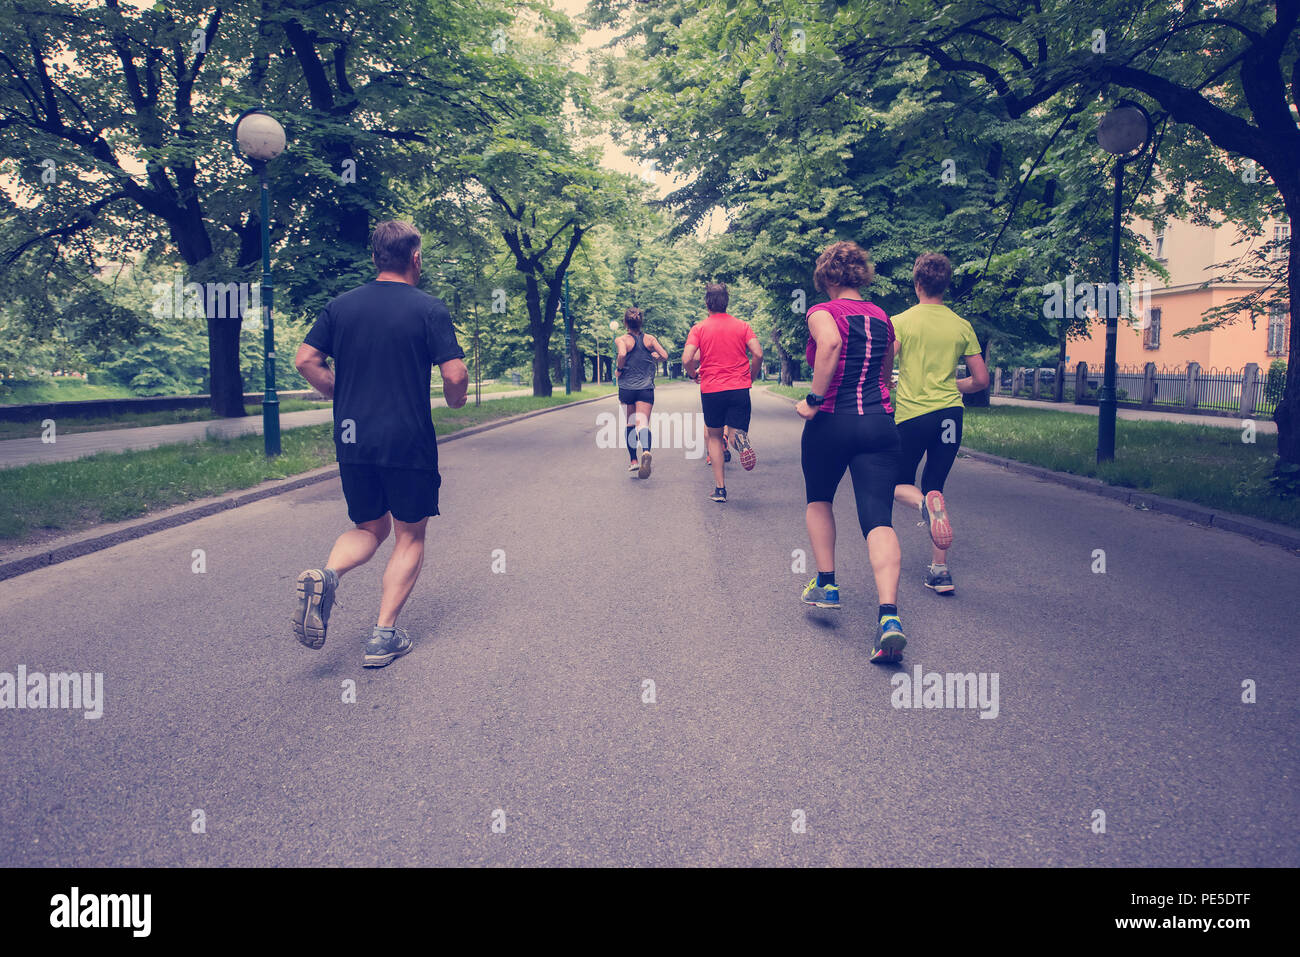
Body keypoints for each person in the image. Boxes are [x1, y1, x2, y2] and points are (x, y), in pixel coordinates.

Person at [291, 220, 468, 668]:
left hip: (353, 437)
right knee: (409, 534)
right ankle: (383, 636)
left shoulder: (341, 307)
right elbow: (455, 373)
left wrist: (340, 393)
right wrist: (456, 400)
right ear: (415, 258)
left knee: (370, 527)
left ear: (375, 258)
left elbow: (306, 359)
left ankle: (329, 574)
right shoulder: (428, 308)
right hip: (406, 438)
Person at [793, 241, 906, 664]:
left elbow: (830, 345)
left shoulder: (822, 312)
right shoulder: (883, 318)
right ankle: (889, 617)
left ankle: (826, 583)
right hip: (878, 423)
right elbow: (885, 373)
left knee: (819, 499)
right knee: (878, 519)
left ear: (827, 277)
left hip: (831, 422)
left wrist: (813, 399)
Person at [891, 252, 989, 596]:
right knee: (935, 487)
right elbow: (981, 380)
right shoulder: (961, 325)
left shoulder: (900, 322)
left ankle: (924, 507)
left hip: (913, 415)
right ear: (946, 285)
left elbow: (884, 366)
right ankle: (940, 571)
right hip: (950, 416)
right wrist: (952, 385)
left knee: (896, 483)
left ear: (917, 283)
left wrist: (888, 384)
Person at [682, 282, 762, 502]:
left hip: (712, 389)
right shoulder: (742, 326)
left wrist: (693, 374)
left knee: (715, 437)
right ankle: (740, 442)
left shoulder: (699, 328)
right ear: (726, 302)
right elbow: (758, 353)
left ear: (707, 303)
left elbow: (687, 358)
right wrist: (751, 376)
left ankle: (720, 489)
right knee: (735, 433)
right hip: (739, 387)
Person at [615, 307, 669, 479]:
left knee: (630, 424)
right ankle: (646, 451)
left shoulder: (621, 339)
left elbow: (622, 354)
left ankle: (633, 461)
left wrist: (619, 369)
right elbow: (665, 355)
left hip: (627, 388)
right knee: (643, 424)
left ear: (625, 322)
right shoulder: (650, 339)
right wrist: (657, 357)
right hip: (645, 388)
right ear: (641, 322)